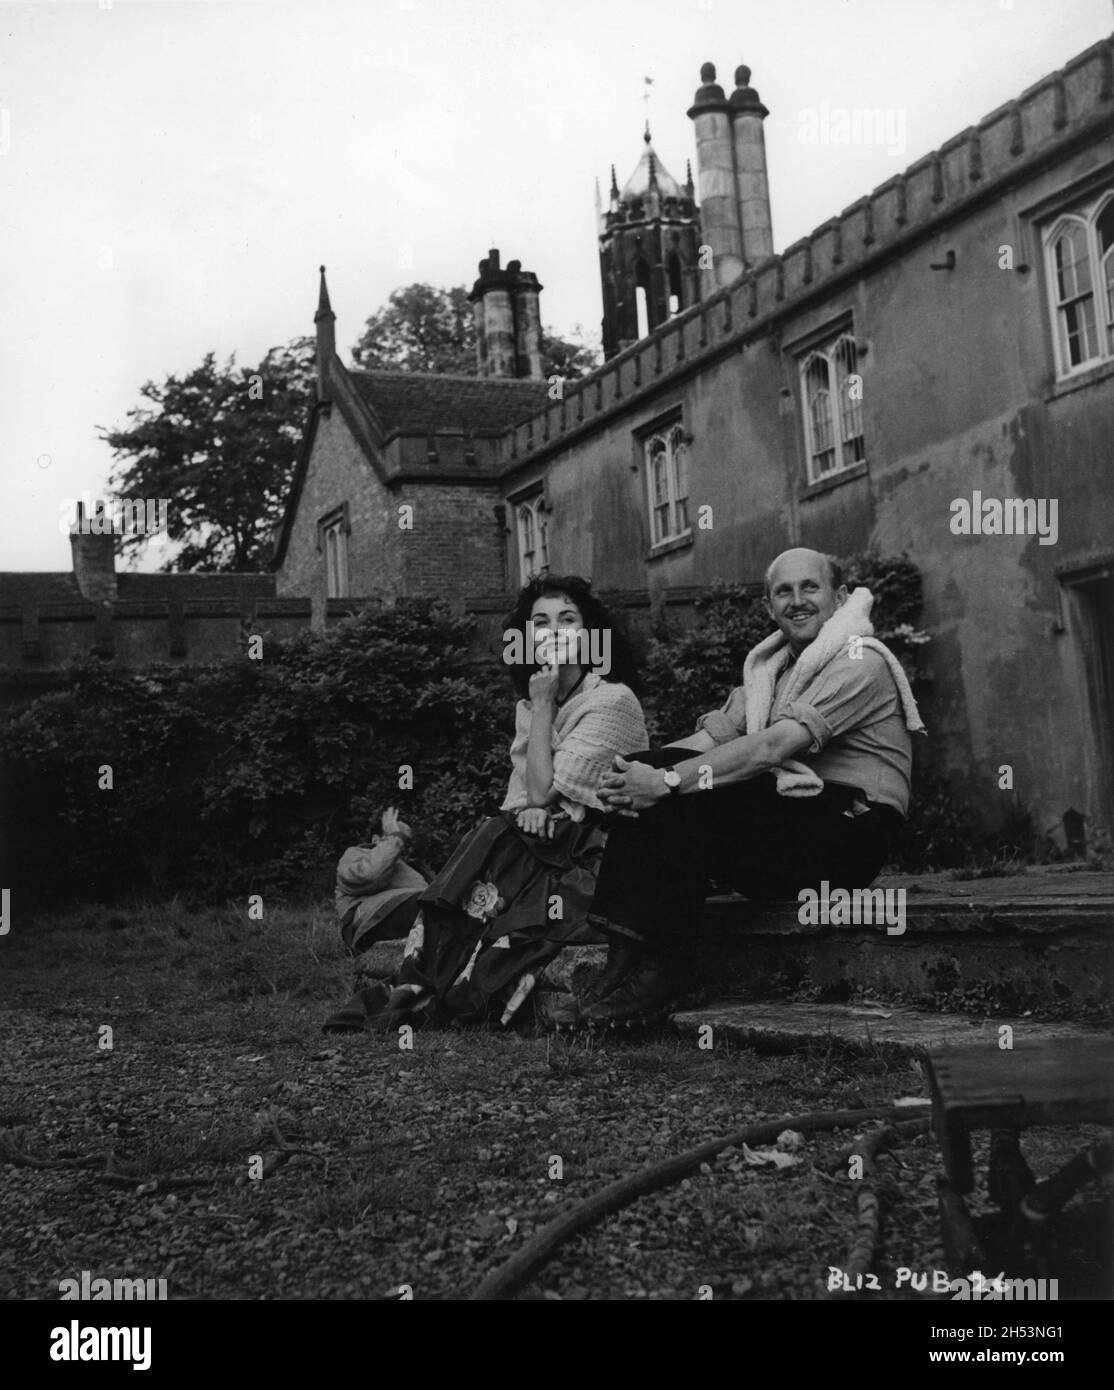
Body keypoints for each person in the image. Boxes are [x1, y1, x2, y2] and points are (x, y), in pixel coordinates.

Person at [552, 547, 925, 1029]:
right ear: (769, 607)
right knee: (657, 770)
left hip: (849, 834)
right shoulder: (773, 671)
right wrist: (626, 774)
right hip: (792, 823)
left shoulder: (860, 659)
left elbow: (771, 748)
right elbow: (705, 741)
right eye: (783, 591)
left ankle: (663, 973)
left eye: (810, 587)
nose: (797, 601)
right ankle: (621, 968)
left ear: (841, 597)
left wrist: (665, 781)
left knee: (678, 788)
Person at [323, 574, 647, 1033]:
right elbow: (524, 800)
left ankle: (452, 980)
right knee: (494, 831)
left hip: (599, 854)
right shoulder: (530, 707)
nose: (552, 631)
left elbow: (542, 793)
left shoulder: (613, 701)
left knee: (503, 842)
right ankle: (425, 973)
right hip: (541, 844)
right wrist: (535, 794)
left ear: (591, 635)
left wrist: (541, 710)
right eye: (540, 622)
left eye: (567, 619)